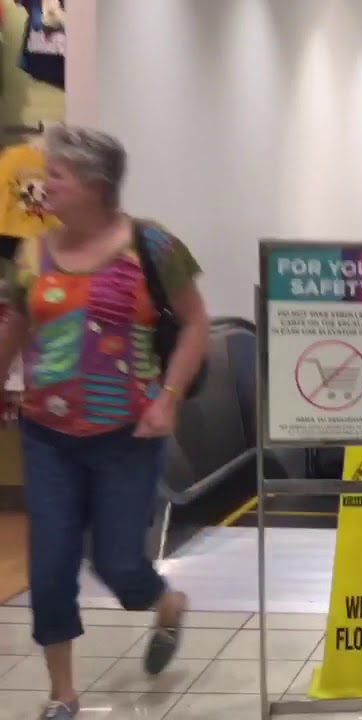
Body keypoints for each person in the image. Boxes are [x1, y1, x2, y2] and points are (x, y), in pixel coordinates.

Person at [0, 126, 208, 719]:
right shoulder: (33, 251)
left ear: (93, 185)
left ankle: (164, 603)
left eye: (56, 176)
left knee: (117, 564)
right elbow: (16, 324)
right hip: (46, 434)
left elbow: (195, 323)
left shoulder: (153, 246)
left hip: (127, 434)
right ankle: (62, 694)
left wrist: (167, 397)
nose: (45, 187)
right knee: (50, 564)